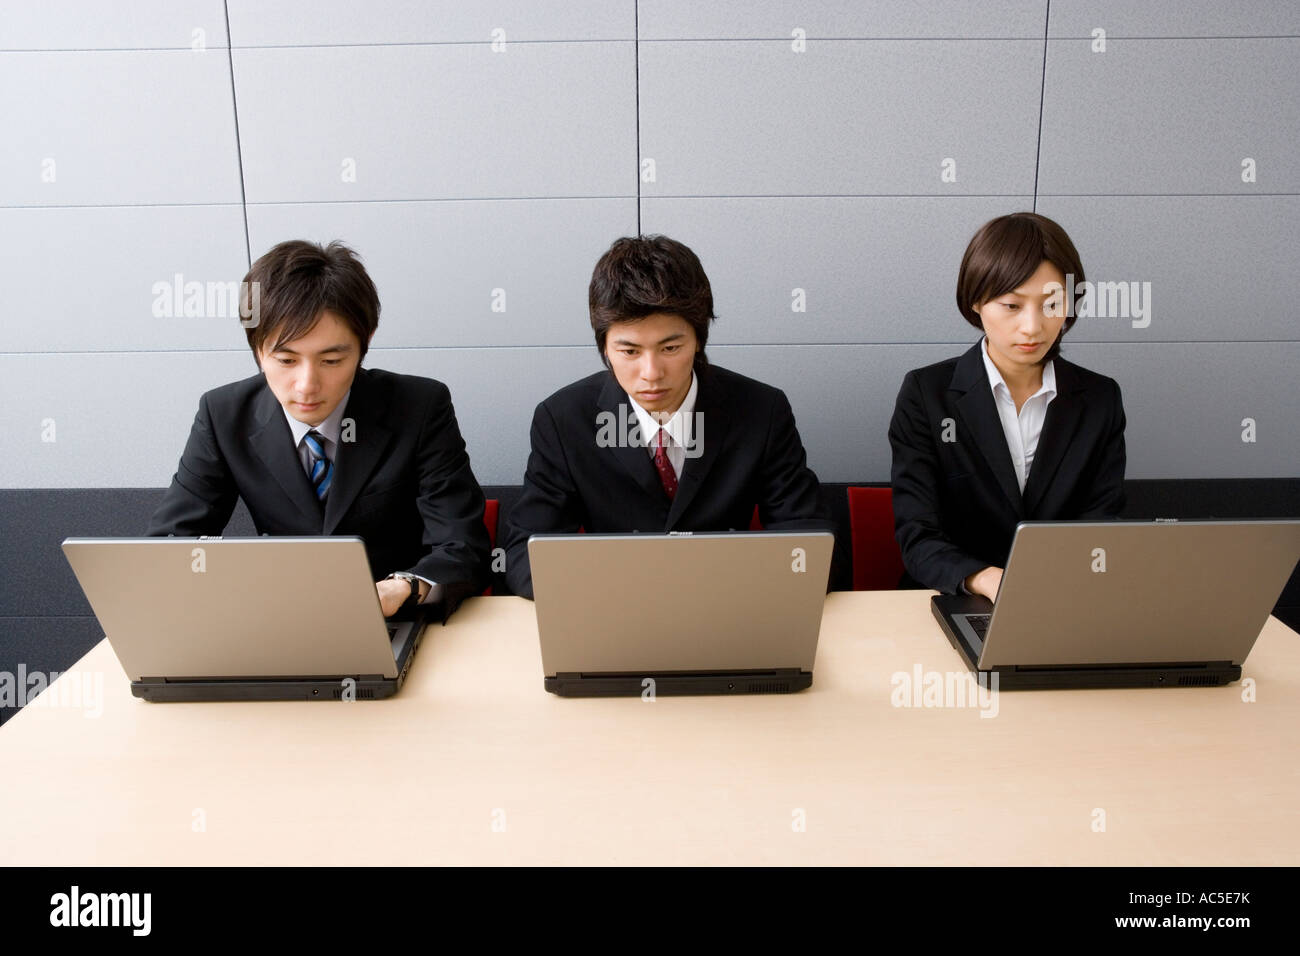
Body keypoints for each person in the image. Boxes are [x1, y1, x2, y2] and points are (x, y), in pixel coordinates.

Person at [147, 239, 491, 620]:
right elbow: (172, 547)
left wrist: (403, 588)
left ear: (365, 343)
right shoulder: (223, 414)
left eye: (331, 360)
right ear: (258, 350)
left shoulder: (420, 406)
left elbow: (463, 546)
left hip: (397, 619)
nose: (307, 384)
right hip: (280, 620)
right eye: (286, 359)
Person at [503, 234, 828, 599]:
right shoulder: (563, 419)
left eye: (671, 348)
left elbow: (810, 548)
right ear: (604, 347)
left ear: (699, 340)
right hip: (614, 613)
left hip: (728, 609)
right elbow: (524, 558)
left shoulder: (761, 410)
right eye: (628, 351)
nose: (651, 373)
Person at [888, 212, 1126, 599]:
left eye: (1051, 304)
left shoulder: (1100, 399)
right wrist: (987, 579)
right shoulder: (926, 394)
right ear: (977, 302)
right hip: (954, 598)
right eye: (1012, 306)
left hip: (1063, 598)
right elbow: (918, 533)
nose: (1033, 327)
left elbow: (1101, 525)